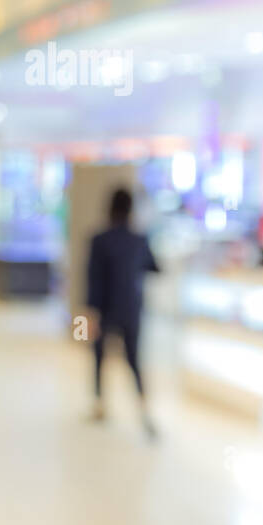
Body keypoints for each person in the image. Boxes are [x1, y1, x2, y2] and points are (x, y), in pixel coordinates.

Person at [86, 187, 160, 438]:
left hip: (104, 309)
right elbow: (156, 267)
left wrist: (87, 318)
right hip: (131, 309)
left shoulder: (99, 239)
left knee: (98, 356)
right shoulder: (139, 239)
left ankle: (99, 406)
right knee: (134, 360)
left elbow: (92, 281)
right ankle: (144, 410)